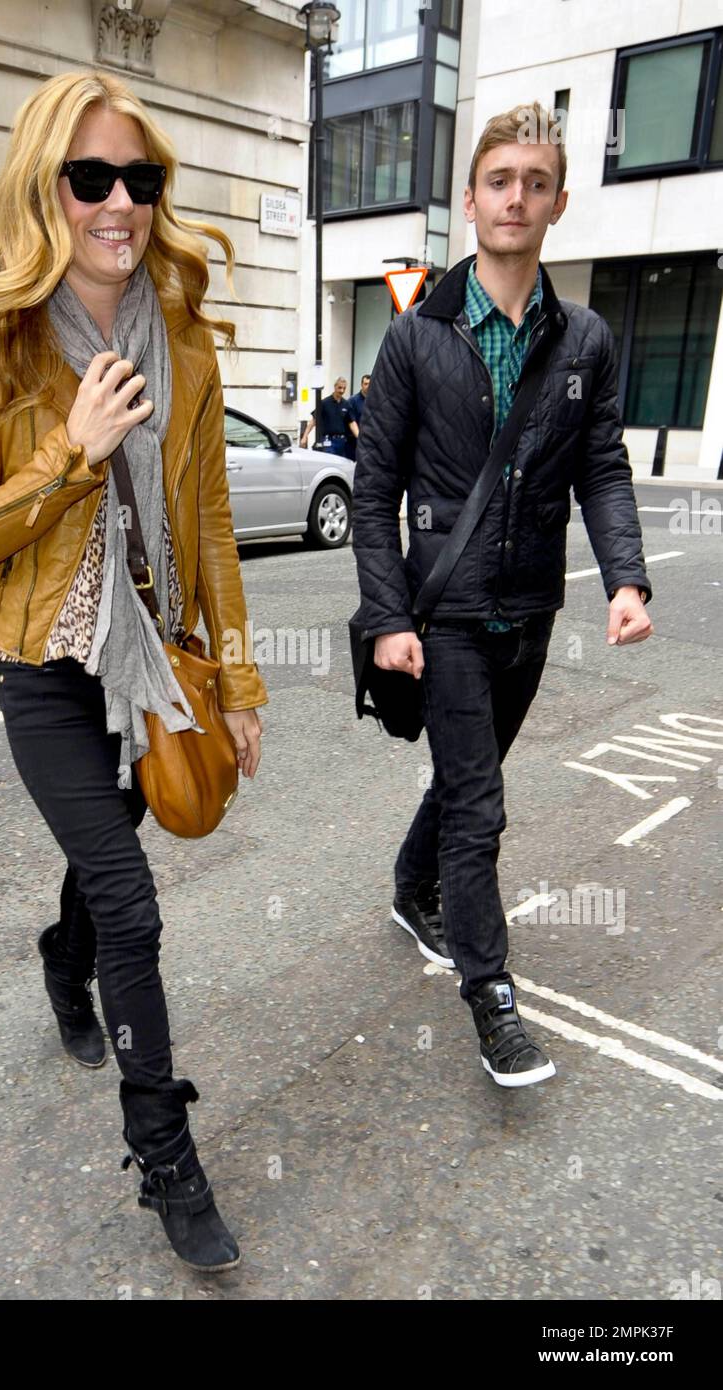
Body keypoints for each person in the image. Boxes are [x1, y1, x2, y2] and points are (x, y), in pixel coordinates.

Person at [0, 70, 267, 1269]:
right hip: (47, 666)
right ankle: (166, 1156)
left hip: (156, 656)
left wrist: (236, 679)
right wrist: (72, 455)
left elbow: (213, 519)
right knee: (131, 893)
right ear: (45, 188)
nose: (118, 201)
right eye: (91, 179)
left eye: (140, 179)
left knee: (102, 868)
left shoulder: (177, 328)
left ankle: (62, 961)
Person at [351, 101, 652, 1088]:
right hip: (443, 614)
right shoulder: (415, 338)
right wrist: (389, 615)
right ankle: (491, 996)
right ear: (469, 198)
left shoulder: (584, 343)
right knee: (480, 805)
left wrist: (623, 578)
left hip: (528, 610)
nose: (513, 197)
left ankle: (409, 885)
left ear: (556, 202)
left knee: (460, 777)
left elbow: (601, 469)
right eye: (497, 180)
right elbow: (372, 491)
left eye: (532, 182)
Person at [300, 377, 352, 455]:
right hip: (328, 441)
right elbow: (314, 421)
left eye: (344, 388)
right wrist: (304, 437)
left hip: (341, 441)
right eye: (340, 388)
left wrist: (360, 438)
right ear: (335, 387)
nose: (342, 391)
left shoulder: (346, 404)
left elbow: (352, 423)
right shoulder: (324, 403)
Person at [346, 374, 371, 462]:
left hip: (369, 441)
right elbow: (351, 422)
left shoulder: (374, 400)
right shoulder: (353, 401)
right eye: (366, 384)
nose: (368, 386)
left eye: (370, 384)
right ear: (361, 385)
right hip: (354, 442)